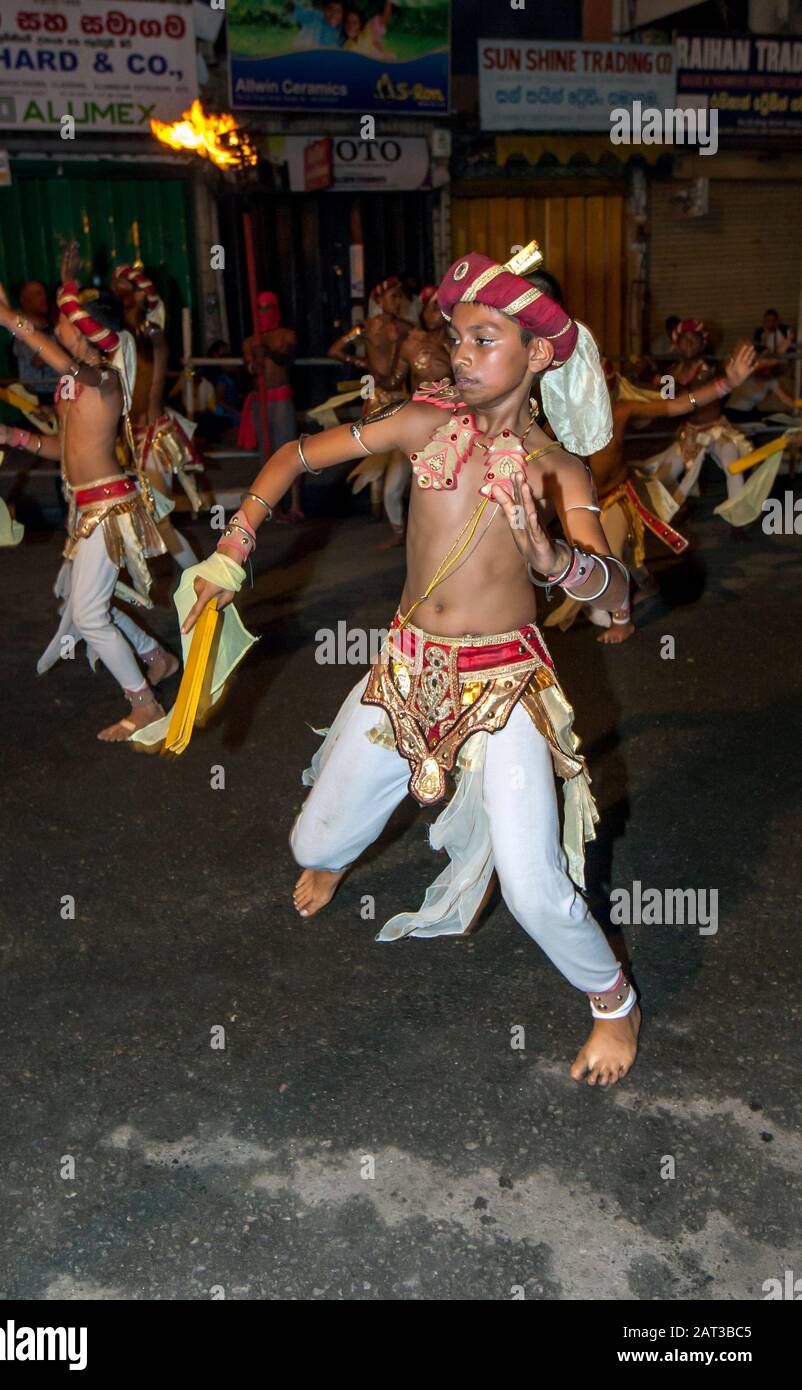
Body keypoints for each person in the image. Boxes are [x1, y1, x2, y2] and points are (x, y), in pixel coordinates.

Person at [182, 242, 643, 1087]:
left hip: (503, 687)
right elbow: (291, 459)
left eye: (484, 340)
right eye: (456, 338)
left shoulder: (557, 470)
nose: (461, 357)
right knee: (309, 843)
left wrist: (551, 557)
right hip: (402, 668)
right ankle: (337, 849)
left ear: (539, 353)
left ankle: (613, 1003)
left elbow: (616, 598)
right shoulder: (423, 422)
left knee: (534, 887)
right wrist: (233, 547)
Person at [0, 246, 178, 741]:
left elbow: (49, 351)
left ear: (86, 335)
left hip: (108, 508)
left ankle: (145, 704)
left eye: (64, 323)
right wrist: (14, 438)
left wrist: (5, 316)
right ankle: (154, 656)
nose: (55, 327)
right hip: (86, 507)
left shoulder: (104, 380)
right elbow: (65, 448)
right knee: (78, 602)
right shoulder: (71, 387)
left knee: (89, 614)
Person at [546, 344, 757, 643]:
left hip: (619, 496)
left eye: (601, 386)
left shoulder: (621, 412)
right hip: (585, 503)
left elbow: (681, 404)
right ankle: (648, 585)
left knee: (608, 554)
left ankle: (623, 622)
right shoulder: (561, 419)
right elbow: (532, 443)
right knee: (631, 559)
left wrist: (728, 383)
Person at [111, 262, 201, 569]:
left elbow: (151, 305)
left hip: (153, 439)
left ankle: (202, 584)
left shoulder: (152, 334)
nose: (123, 295)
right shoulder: (113, 338)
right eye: (119, 291)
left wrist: (133, 281)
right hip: (125, 440)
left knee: (161, 521)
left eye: (129, 291)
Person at [329, 275, 412, 546]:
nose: (397, 302)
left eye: (399, 297)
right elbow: (336, 349)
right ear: (379, 300)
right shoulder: (365, 327)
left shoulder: (408, 328)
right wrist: (361, 362)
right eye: (392, 297)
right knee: (376, 452)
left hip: (401, 396)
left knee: (400, 456)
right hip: (377, 398)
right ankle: (379, 507)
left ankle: (396, 519)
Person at [641, 318, 752, 505]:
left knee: (733, 466)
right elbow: (670, 402)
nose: (690, 342)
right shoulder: (673, 373)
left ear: (703, 343)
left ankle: (739, 517)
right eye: (685, 339)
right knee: (663, 475)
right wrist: (650, 377)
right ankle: (671, 512)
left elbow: (695, 394)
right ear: (677, 344)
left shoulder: (711, 368)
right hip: (690, 434)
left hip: (717, 431)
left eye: (695, 338)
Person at [238, 291, 302, 522]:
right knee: (266, 455)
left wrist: (269, 352)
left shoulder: (286, 335)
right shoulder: (250, 341)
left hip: (281, 397)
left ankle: (295, 504)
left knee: (289, 450)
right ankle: (273, 507)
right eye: (260, 308)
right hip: (261, 400)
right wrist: (254, 364)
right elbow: (248, 368)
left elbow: (287, 359)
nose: (264, 312)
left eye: (268, 307)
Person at [401, 285, 452, 392]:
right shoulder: (412, 344)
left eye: (435, 307)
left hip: (447, 407)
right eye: (425, 308)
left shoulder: (456, 346)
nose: (428, 313)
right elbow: (393, 383)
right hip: (418, 407)